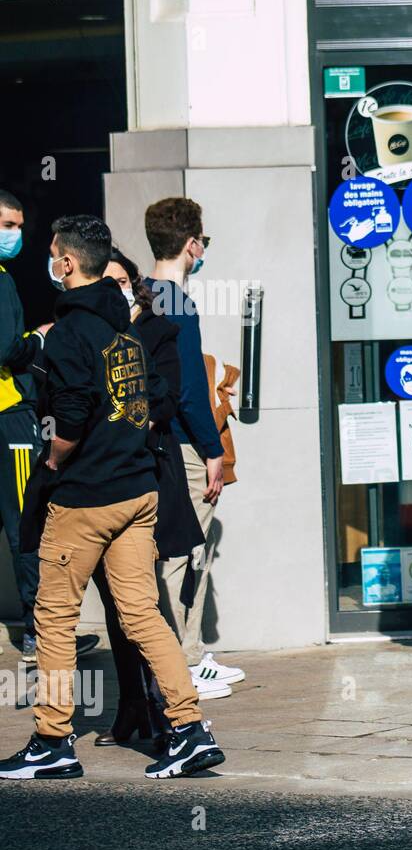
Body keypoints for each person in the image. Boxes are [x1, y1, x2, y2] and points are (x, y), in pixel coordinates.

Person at [0, 214, 224, 779]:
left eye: (54, 255)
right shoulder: (125, 325)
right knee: (143, 614)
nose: (50, 262)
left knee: (53, 620)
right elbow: (148, 399)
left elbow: (72, 411)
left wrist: (54, 457)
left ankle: (53, 739)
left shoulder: (74, 330)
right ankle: (189, 729)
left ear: (68, 264)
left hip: (85, 499)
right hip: (136, 491)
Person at [92, 248, 209, 746]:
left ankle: (168, 706)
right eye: (106, 281)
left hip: (150, 476)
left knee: (145, 600)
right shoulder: (93, 335)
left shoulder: (161, 330)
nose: (113, 289)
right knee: (118, 602)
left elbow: (167, 400)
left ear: (135, 284)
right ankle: (133, 706)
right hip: (103, 480)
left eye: (121, 281)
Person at [144, 197, 245, 695]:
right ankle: (183, 662)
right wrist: (213, 454)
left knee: (171, 553)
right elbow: (188, 391)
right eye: (202, 243)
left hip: (153, 443)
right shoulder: (177, 304)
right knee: (189, 554)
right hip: (184, 447)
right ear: (191, 245)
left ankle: (189, 656)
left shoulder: (141, 296)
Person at [0, 189, 98, 663]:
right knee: (27, 523)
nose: (15, 235)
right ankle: (42, 635)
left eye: (18, 226)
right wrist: (36, 340)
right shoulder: (1, 282)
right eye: (7, 225)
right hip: (9, 414)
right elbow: (5, 349)